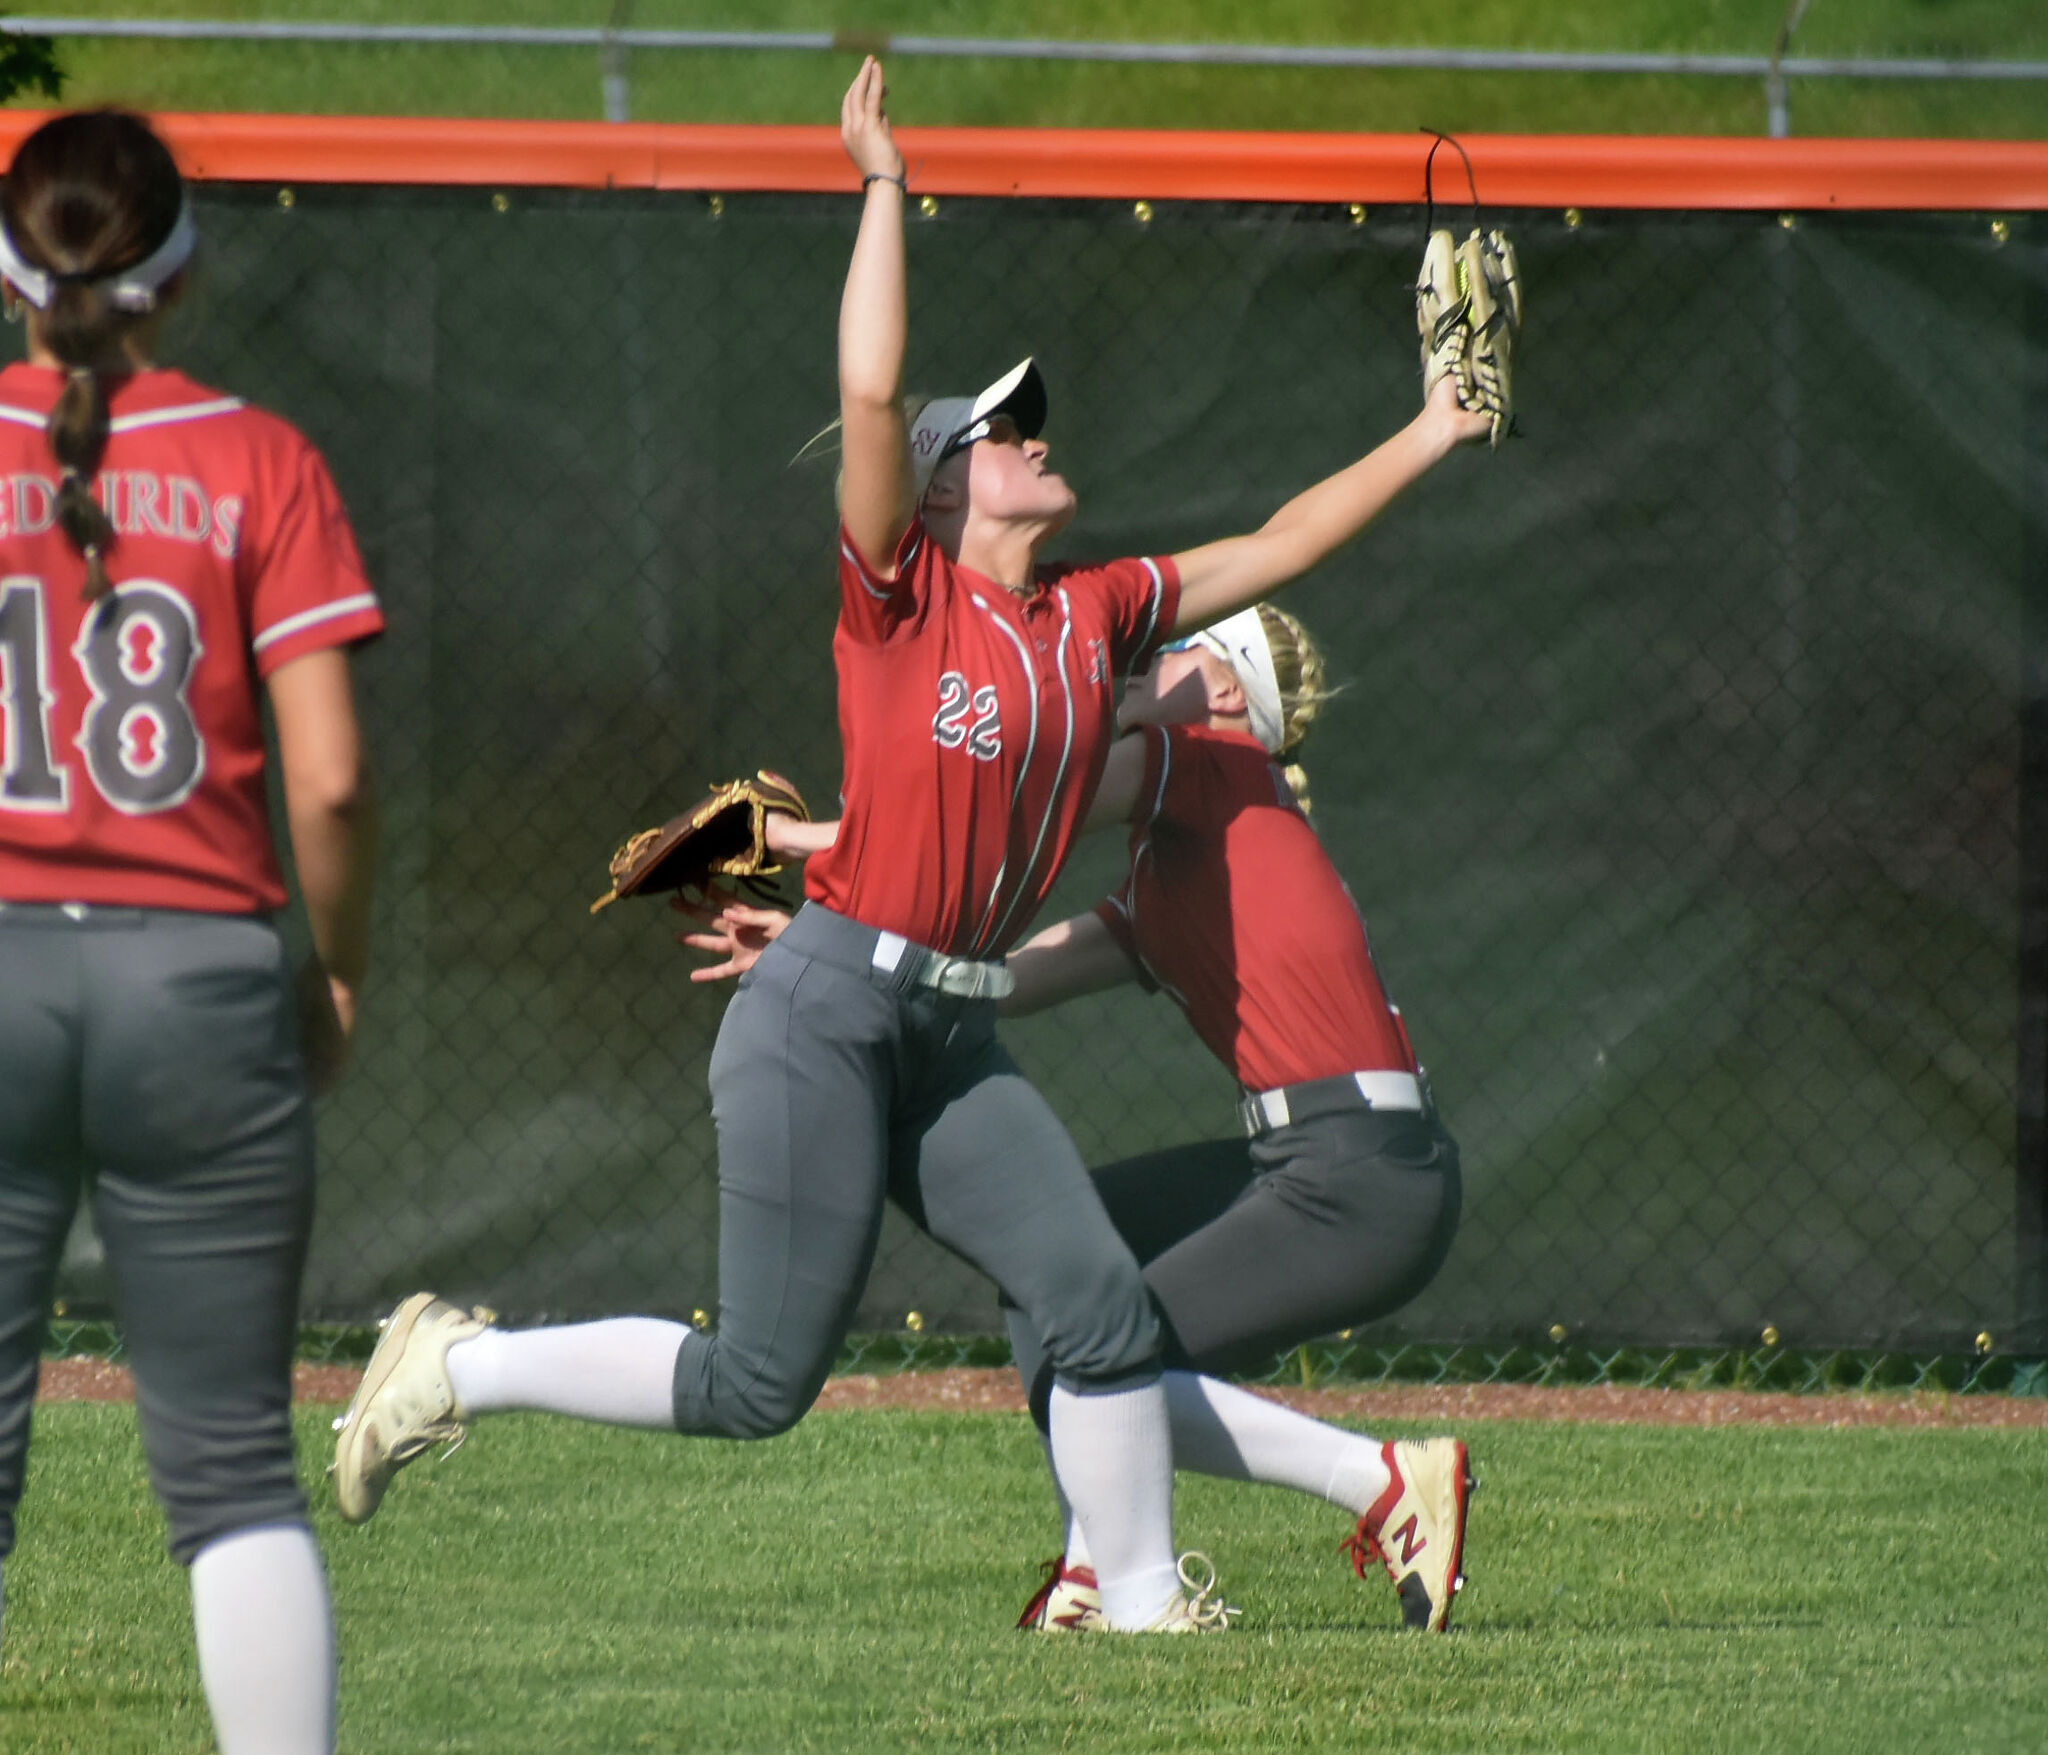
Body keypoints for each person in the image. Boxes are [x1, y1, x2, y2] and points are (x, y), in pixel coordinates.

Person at [332, 57, 1483, 1635]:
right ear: (941, 491)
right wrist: (882, 180)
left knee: (1090, 1302)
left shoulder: (1093, 616)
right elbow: (870, 396)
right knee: (758, 1380)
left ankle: (1138, 1595)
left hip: (943, 1025)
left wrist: (1436, 424)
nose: (1031, 436)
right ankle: (455, 1362)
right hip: (827, 1016)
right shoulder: (902, 599)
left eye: (1027, 423)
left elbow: (1276, 542)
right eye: (1000, 432)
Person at [686, 603, 1471, 1634]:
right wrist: (815, 948)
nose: (1149, 668)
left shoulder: (1213, 767)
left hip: (1358, 1179)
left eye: (1181, 653)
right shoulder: (1184, 860)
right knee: (1052, 1266)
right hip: (1332, 1162)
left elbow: (1013, 804)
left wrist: (793, 838)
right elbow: (983, 981)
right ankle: (1092, 1571)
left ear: (1225, 695)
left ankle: (1379, 1480)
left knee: (1093, 1358)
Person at [0, 110, 382, 1755]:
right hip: (200, 977)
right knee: (230, 1471)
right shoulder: (260, 458)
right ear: (184, 272)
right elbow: (334, 780)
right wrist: (341, 965)